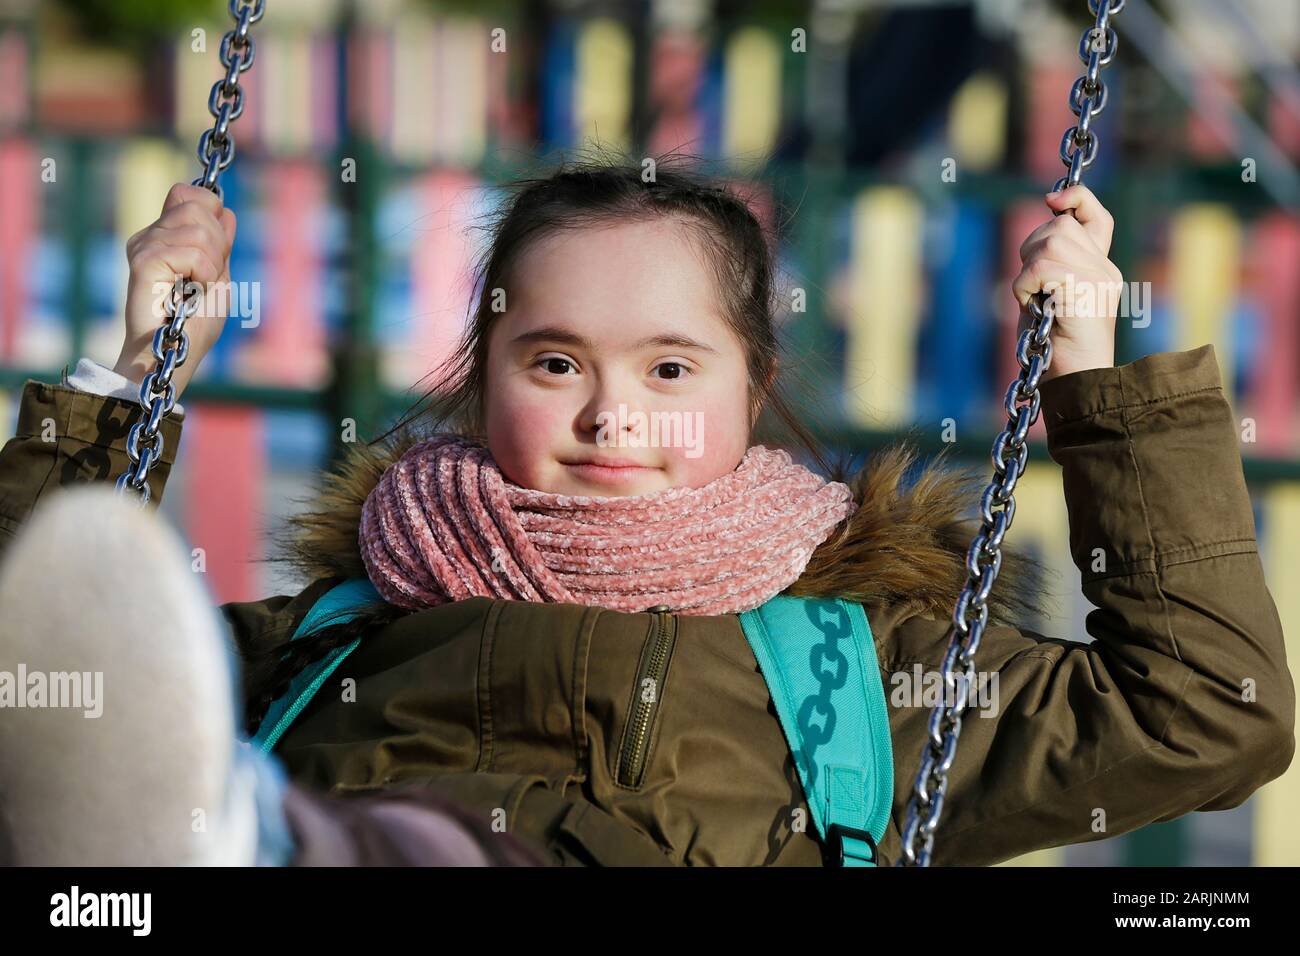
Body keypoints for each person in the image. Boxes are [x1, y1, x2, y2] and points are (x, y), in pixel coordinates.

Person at [0, 155, 1292, 866]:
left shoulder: (859, 667)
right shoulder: (335, 638)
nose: (612, 418)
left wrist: (1087, 369)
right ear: (482, 381)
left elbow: (1204, 717)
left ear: (752, 387)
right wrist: (125, 372)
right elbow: (25, 685)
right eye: (555, 363)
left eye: (669, 368)